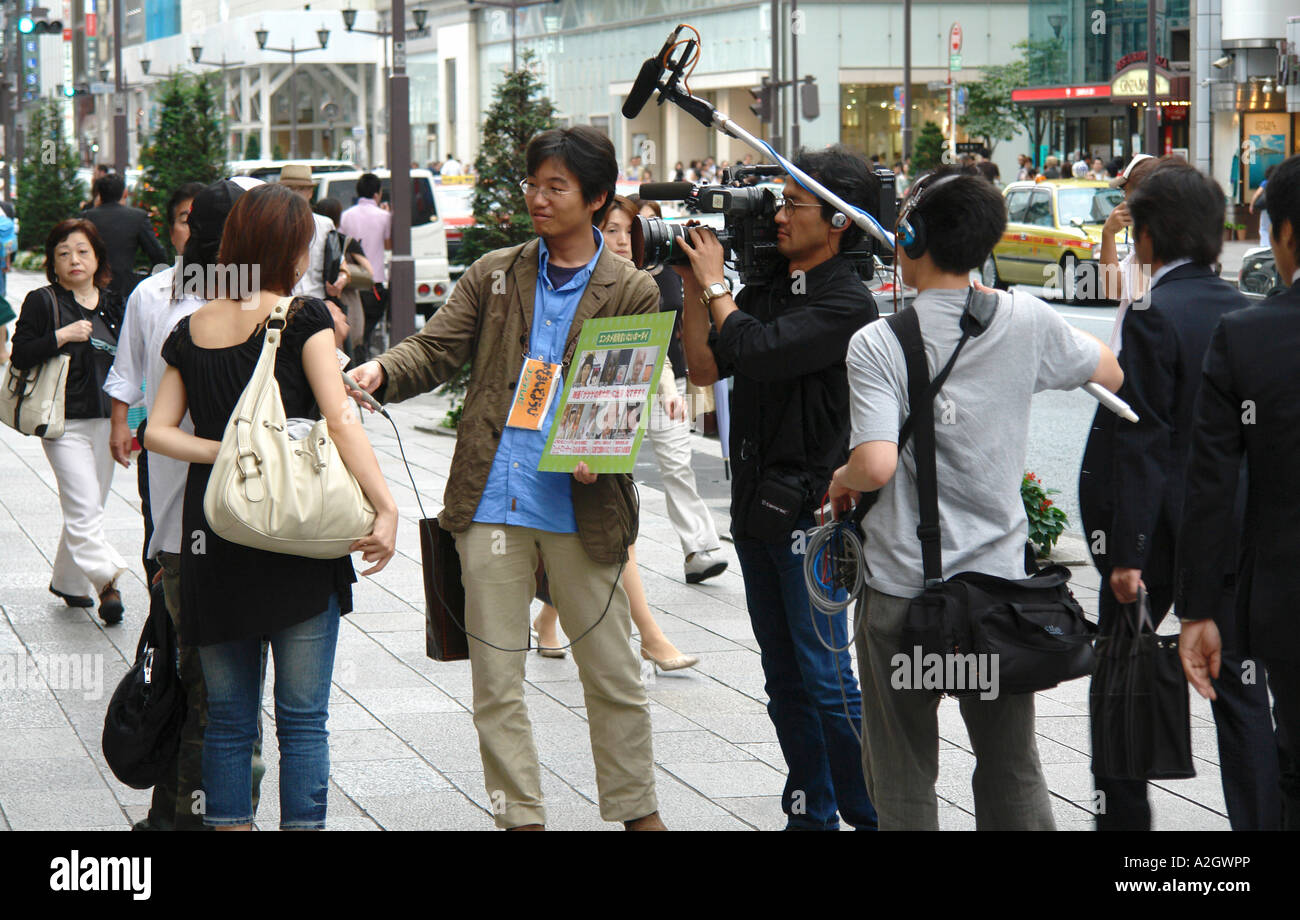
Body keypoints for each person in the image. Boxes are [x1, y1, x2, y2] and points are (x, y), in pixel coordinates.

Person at [345, 126, 665, 831]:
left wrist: (604, 450)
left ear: (597, 198)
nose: (538, 198)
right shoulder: (497, 271)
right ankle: (519, 818)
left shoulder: (631, 289)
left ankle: (639, 814)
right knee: (496, 683)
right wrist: (381, 371)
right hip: (492, 501)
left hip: (582, 505)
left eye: (556, 187)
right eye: (533, 184)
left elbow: (627, 392)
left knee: (612, 674)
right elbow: (436, 346)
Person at [832, 170, 1122, 830]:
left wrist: (842, 479)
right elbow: (1110, 369)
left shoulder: (878, 342)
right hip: (999, 598)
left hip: (903, 595)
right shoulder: (1026, 320)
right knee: (1010, 762)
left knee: (902, 768)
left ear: (912, 238)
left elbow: (874, 464)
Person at [144, 183, 398, 831]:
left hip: (218, 533)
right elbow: (339, 420)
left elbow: (157, 433)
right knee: (303, 720)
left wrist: (227, 452)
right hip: (299, 536)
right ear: (289, 248)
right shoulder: (303, 318)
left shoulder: (189, 327)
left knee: (229, 719)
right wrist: (384, 507)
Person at [675, 145, 880, 831]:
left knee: (826, 678)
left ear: (840, 221)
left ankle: (872, 810)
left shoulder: (847, 302)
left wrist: (714, 286)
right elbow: (706, 367)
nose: (779, 216)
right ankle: (812, 813)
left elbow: (760, 350)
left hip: (818, 519)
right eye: (779, 202)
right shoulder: (763, 286)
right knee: (785, 680)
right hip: (757, 507)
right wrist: (690, 282)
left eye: (793, 204)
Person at [1082, 160, 1280, 831]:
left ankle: (1126, 824)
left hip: (1158, 533)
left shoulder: (1150, 313)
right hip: (1234, 530)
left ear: (1145, 238)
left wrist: (1126, 553)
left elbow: (1142, 438)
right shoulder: (1244, 311)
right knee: (1242, 694)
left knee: (1124, 681)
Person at [105, 177, 270, 831]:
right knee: (211, 687)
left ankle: (186, 815)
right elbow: (127, 375)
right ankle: (200, 815)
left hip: (219, 523)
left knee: (209, 685)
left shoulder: (253, 298)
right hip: (200, 524)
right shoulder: (163, 298)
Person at [1177, 153, 1300, 830]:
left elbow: (1211, 482)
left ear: (1280, 234)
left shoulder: (1248, 336)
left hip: (1284, 600)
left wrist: (1198, 609)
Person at [530, 195, 703, 672]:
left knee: (603, 524)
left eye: (630, 230)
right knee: (612, 529)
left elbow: (651, 345)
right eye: (613, 229)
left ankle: (550, 620)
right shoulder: (578, 280)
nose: (624, 240)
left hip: (613, 412)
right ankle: (650, 637)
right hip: (574, 415)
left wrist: (666, 387)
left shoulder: (640, 280)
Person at [10, 220, 130, 624]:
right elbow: (20, 355)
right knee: (83, 507)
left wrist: (127, 421)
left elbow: (128, 365)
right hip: (62, 423)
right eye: (64, 253)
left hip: (105, 420)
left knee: (89, 506)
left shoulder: (115, 304)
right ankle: (106, 581)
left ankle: (68, 581)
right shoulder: (42, 302)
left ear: (97, 258)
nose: (74, 260)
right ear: (53, 263)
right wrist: (60, 336)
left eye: (82, 251)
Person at [627, 195, 729, 583]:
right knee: (615, 473)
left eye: (653, 225)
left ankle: (699, 548)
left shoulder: (671, 269)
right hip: (620, 382)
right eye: (633, 228)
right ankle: (615, 551)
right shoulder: (612, 277)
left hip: (669, 378)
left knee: (676, 463)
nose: (642, 236)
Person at [81, 173, 168, 303]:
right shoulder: (137, 217)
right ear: (125, 193)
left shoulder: (86, 217)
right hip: (125, 290)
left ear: (99, 193)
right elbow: (158, 255)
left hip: (91, 287)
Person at [1096, 153, 1158, 330]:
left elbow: (1117, 290)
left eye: (1126, 191)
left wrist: (1108, 233)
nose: (1124, 199)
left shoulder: (1153, 244)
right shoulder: (1143, 240)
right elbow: (1113, 288)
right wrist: (1108, 234)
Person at [314, 196, 375, 359]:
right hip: (344, 303)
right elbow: (369, 271)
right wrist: (345, 275)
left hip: (317, 303)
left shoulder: (310, 241)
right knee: (347, 351)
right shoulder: (345, 241)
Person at [339, 173, 392, 360]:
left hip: (351, 283)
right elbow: (388, 245)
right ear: (377, 194)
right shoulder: (385, 216)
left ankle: (357, 361)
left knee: (353, 332)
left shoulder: (345, 216)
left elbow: (341, 247)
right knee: (367, 331)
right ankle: (364, 360)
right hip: (374, 283)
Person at [279, 165, 350, 300]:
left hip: (316, 302)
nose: (294, 194)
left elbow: (340, 262)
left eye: (300, 189)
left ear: (310, 192)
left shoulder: (325, 224)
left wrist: (342, 278)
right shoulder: (270, 224)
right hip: (281, 304)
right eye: (289, 189)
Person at [1249, 164, 1275, 250]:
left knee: (1264, 227)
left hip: (1266, 208)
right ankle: (1273, 245)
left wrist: (1251, 205)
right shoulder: (1278, 182)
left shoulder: (1265, 183)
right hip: (1276, 207)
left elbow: (1257, 194)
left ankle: (1265, 246)